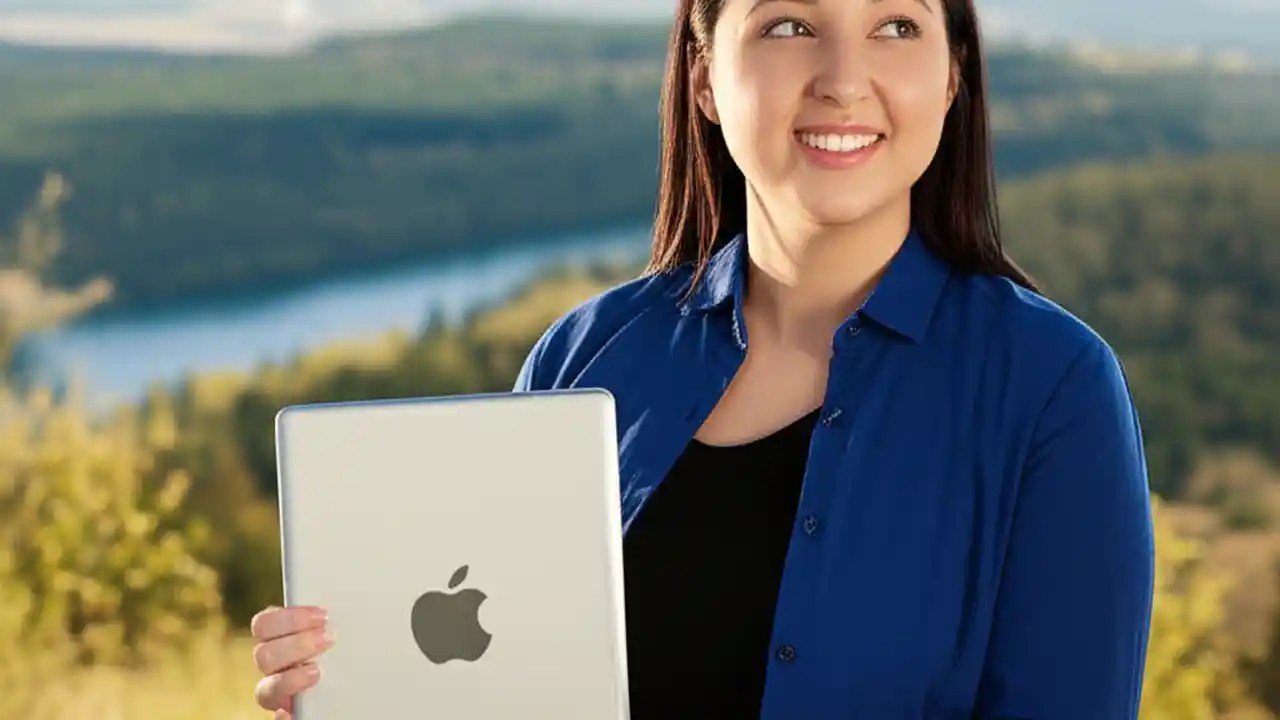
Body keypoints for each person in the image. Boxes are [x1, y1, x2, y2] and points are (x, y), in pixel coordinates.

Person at [251, 0, 1156, 716]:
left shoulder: (1052, 387)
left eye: (895, 26)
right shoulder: (583, 357)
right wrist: (368, 689)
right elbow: (506, 689)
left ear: (953, 75)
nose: (845, 81)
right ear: (705, 79)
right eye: (789, 26)